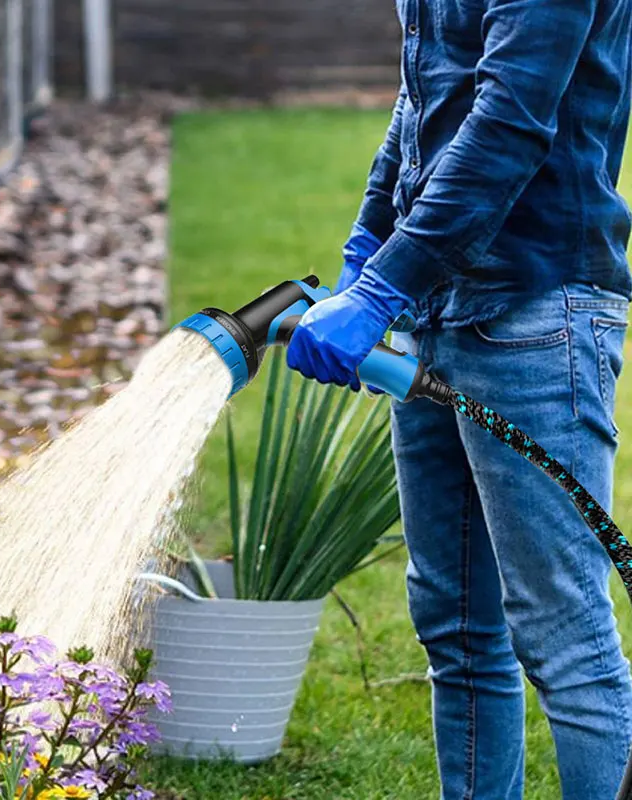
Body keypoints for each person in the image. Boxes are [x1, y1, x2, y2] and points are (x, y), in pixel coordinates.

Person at [285, 0, 632, 797]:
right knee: (457, 628)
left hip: (534, 306)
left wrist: (380, 290)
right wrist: (370, 239)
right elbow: (424, 99)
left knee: (563, 637)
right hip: (435, 299)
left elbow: (508, 118)